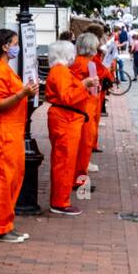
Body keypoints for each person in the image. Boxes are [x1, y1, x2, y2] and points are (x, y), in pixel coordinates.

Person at [0, 28, 37, 242]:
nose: (17, 47)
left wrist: (24, 92)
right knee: (3, 181)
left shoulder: (4, 69)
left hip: (12, 131)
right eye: (14, 43)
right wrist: (23, 93)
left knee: (11, 180)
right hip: (4, 132)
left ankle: (6, 223)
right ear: (5, 46)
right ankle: (0, 226)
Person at [44, 40, 98, 215]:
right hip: (65, 119)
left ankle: (61, 199)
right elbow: (67, 96)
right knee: (64, 161)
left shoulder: (61, 71)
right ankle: (60, 202)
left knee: (66, 160)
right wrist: (84, 85)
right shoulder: (60, 72)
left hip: (68, 118)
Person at [69, 32, 103, 185]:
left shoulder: (83, 62)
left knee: (85, 143)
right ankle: (79, 178)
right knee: (83, 144)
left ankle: (80, 176)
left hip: (87, 105)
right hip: (84, 107)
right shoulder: (82, 63)